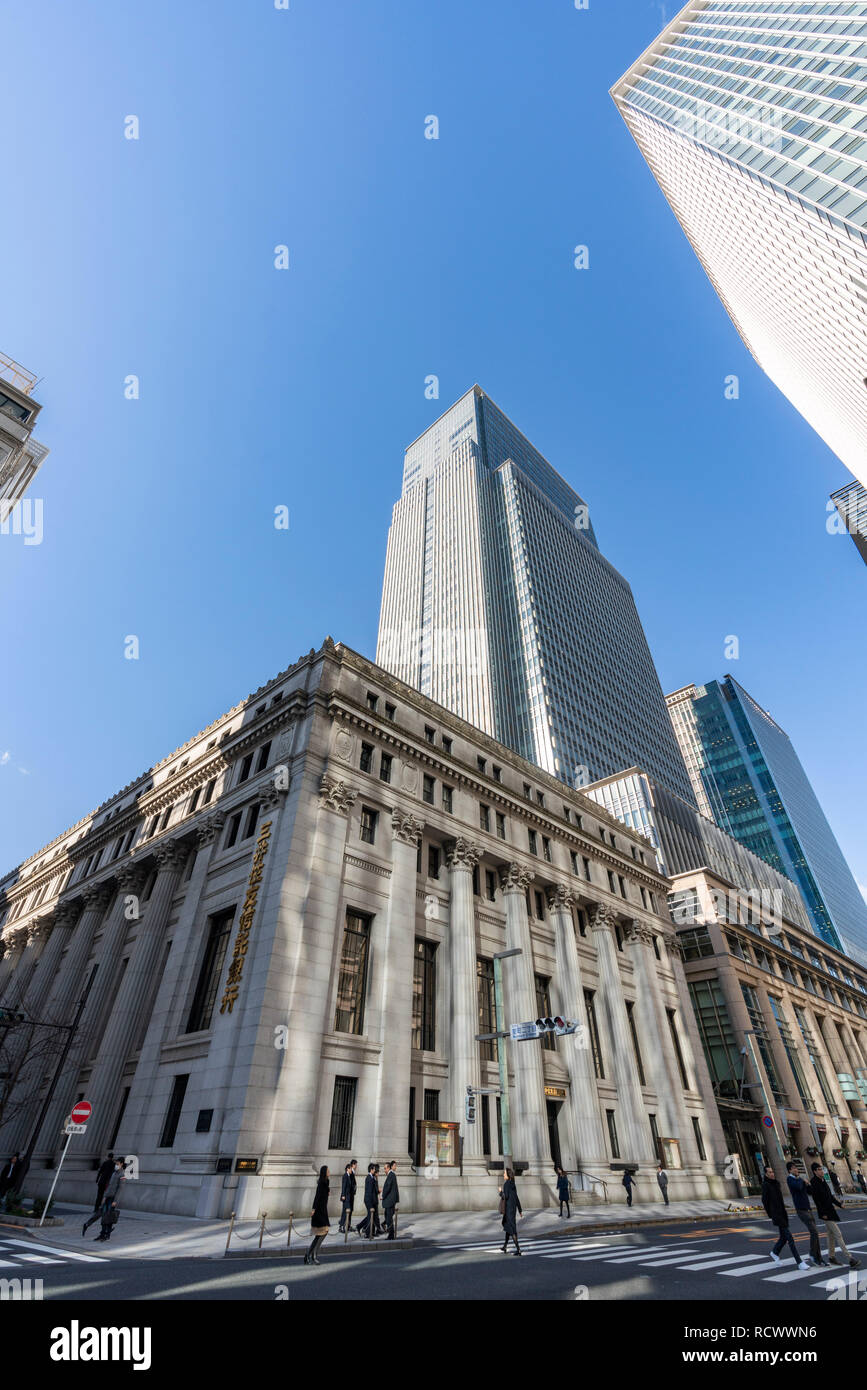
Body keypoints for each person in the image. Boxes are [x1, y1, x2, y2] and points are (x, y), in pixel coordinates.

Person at [809, 1163, 862, 1270]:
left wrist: (839, 1204)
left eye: (821, 1169)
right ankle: (850, 1259)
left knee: (831, 1235)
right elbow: (817, 1200)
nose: (821, 1171)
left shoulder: (823, 1181)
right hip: (825, 1213)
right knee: (838, 1234)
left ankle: (831, 1257)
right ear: (814, 1171)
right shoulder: (814, 1183)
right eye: (819, 1169)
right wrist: (822, 1213)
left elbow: (830, 1196)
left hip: (830, 1211)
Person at [762, 1165, 809, 1270]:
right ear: (766, 1174)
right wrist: (771, 1214)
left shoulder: (777, 1184)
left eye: (772, 1171)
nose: (772, 1173)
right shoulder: (765, 1185)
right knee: (790, 1239)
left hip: (783, 1213)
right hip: (777, 1215)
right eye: (769, 1172)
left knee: (783, 1237)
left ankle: (775, 1252)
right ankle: (799, 1262)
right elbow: (764, 1201)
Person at [786, 1161, 824, 1265]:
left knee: (815, 1233)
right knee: (814, 1232)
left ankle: (818, 1257)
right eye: (793, 1168)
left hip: (808, 1208)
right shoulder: (790, 1179)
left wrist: (808, 1184)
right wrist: (802, 1180)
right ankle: (813, 1254)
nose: (796, 1170)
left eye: (796, 1168)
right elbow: (798, 1187)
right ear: (789, 1170)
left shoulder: (799, 1179)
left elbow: (809, 1191)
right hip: (801, 1209)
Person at [90, 1158, 125, 1243]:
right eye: (116, 1164)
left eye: (117, 1164)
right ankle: (102, 1233)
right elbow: (109, 1186)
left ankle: (107, 1234)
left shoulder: (122, 1175)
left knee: (108, 1217)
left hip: (112, 1198)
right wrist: (104, 1197)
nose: (116, 1165)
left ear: (121, 1164)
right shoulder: (114, 1173)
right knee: (104, 1216)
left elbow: (120, 1189)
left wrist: (115, 1200)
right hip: (107, 1197)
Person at [304, 1165, 330, 1265]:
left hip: (324, 1210)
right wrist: (313, 1209)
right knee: (322, 1233)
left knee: (320, 1234)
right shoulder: (321, 1183)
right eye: (328, 1171)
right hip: (319, 1211)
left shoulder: (327, 1182)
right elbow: (317, 1197)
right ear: (324, 1172)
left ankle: (308, 1254)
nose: (329, 1172)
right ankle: (314, 1255)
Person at [499, 1169, 523, 1255]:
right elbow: (516, 1197)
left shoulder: (506, 1184)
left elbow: (506, 1196)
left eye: (504, 1173)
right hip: (513, 1209)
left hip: (508, 1210)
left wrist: (500, 1192)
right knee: (507, 1227)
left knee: (512, 1229)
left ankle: (518, 1249)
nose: (503, 1174)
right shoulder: (513, 1184)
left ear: (508, 1175)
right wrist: (520, 1209)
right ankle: (505, 1246)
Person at [356, 1163, 380, 1239]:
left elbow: (374, 1190)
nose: (375, 1170)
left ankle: (360, 1226)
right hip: (369, 1200)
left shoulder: (372, 1177)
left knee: (370, 1216)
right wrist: (370, 1203)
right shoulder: (369, 1178)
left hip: (371, 1200)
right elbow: (369, 1192)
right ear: (371, 1169)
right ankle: (367, 1233)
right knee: (370, 1216)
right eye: (374, 1169)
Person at [338, 1159, 357, 1233]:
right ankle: (341, 1226)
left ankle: (347, 1226)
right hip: (346, 1197)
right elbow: (343, 1186)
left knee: (348, 1211)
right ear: (348, 1169)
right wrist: (343, 1195)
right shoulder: (345, 1176)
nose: (351, 1170)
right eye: (350, 1169)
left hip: (350, 1196)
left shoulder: (349, 1175)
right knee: (346, 1211)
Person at [382, 1161, 399, 1239]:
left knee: (389, 1218)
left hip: (389, 1200)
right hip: (391, 1200)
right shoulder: (392, 1175)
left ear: (389, 1168)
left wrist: (383, 1196)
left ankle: (391, 1234)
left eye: (385, 1168)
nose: (384, 1170)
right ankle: (388, 1230)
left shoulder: (391, 1175)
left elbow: (388, 1187)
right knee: (387, 1216)